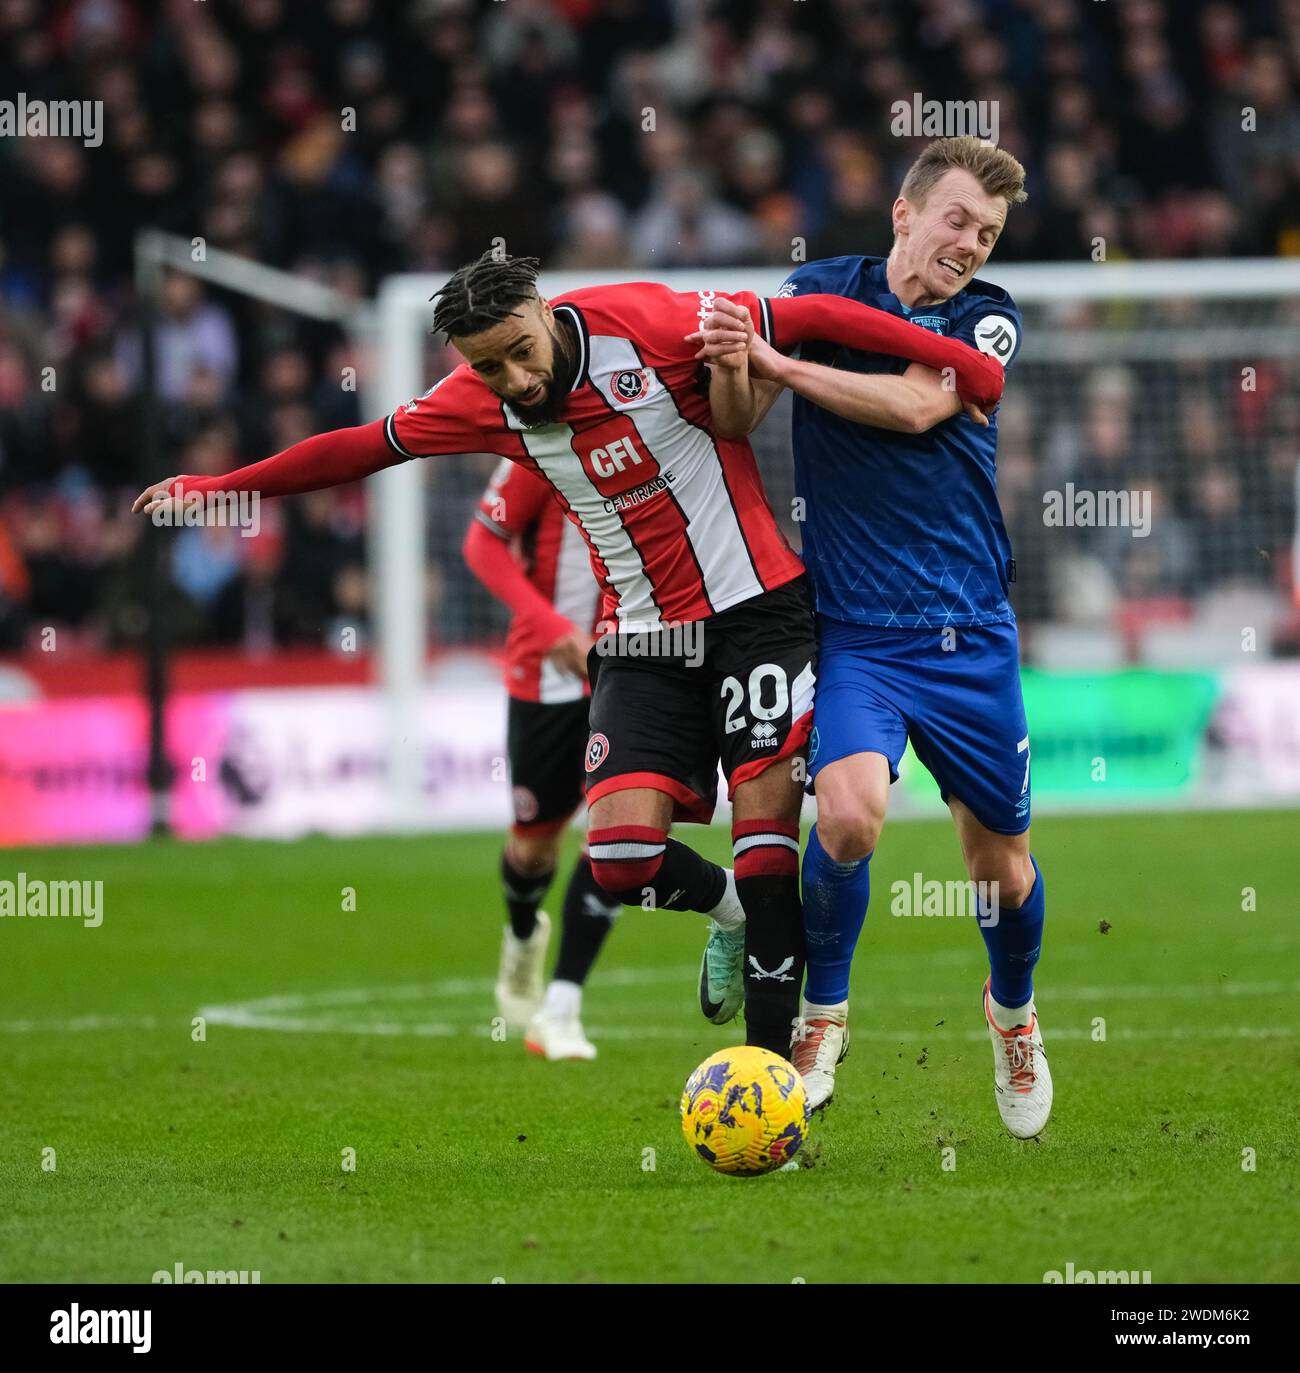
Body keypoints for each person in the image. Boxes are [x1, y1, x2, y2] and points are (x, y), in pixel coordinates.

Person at [134, 249, 1004, 1060]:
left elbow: (815, 314)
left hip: (758, 615)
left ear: (545, 313)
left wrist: (962, 362)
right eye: (488, 367)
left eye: (520, 351)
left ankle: (776, 1083)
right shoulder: (476, 402)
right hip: (640, 641)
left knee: (769, 850)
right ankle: (729, 913)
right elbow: (360, 448)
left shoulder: (650, 321)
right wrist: (221, 487)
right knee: (620, 860)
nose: (513, 379)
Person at [696, 137, 1052, 1138]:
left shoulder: (987, 319)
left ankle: (1012, 1013)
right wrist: (737, 359)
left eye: (985, 231)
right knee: (848, 818)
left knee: (1000, 871)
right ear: (902, 214)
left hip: (968, 631)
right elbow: (737, 416)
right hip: (855, 628)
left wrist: (775, 356)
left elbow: (917, 403)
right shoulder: (817, 288)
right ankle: (823, 1017)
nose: (969, 243)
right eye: (954, 220)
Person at [461, 459, 619, 1061]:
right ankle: (523, 935)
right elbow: (482, 542)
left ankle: (562, 1004)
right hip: (549, 675)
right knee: (533, 845)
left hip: (635, 664)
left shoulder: (652, 414)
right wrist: (554, 628)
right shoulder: (540, 439)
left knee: (617, 832)